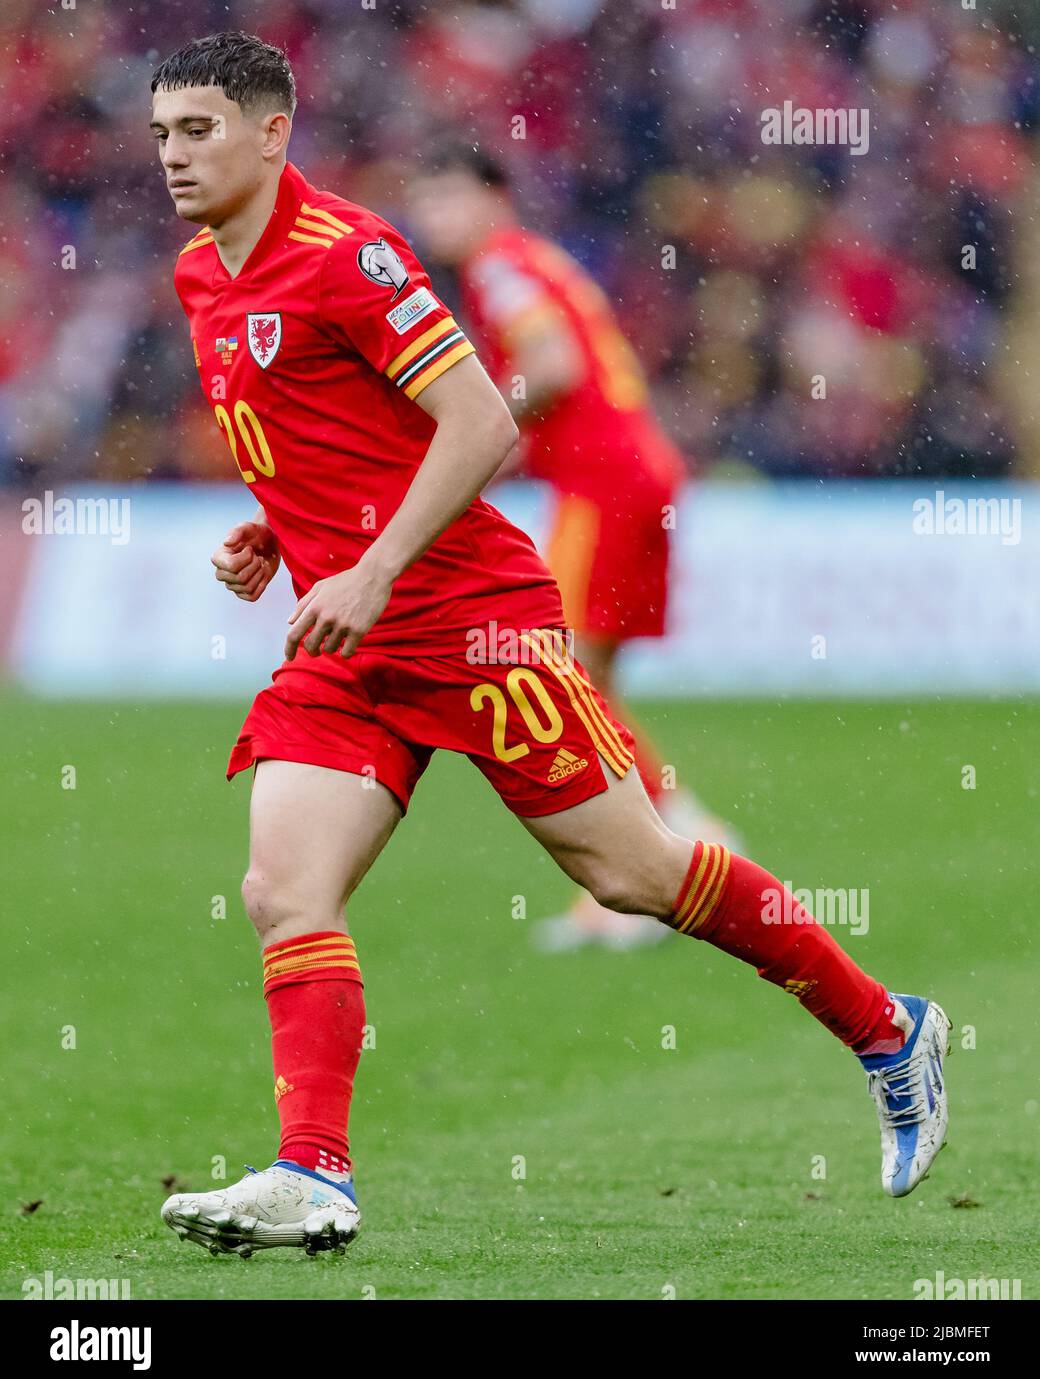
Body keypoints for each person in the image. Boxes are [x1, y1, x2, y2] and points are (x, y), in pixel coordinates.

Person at [151, 32, 949, 1257]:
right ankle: (315, 1175)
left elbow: (479, 422)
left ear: (272, 134)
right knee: (283, 888)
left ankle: (887, 1029)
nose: (172, 155)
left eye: (198, 129)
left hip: (468, 619)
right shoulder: (202, 275)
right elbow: (337, 421)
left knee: (632, 872)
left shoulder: (351, 256)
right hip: (348, 637)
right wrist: (281, 522)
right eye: (160, 133)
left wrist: (367, 562)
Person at [409, 147, 740, 951]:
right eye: (427, 203)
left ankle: (665, 855)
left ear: (493, 200)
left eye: (450, 198)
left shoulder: (497, 266)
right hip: (638, 473)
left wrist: (481, 420)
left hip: (604, 486)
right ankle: (673, 849)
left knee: (560, 673)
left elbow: (550, 364)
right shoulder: (538, 258)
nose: (435, 219)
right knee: (589, 680)